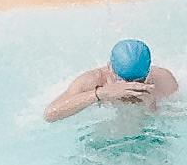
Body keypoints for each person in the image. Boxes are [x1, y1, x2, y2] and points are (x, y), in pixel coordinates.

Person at [45, 39, 179, 121]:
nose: (130, 87)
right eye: (122, 81)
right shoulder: (93, 81)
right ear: (108, 67)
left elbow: (178, 118)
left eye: (139, 82)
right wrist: (100, 94)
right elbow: (50, 114)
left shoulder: (163, 80)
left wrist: (152, 107)